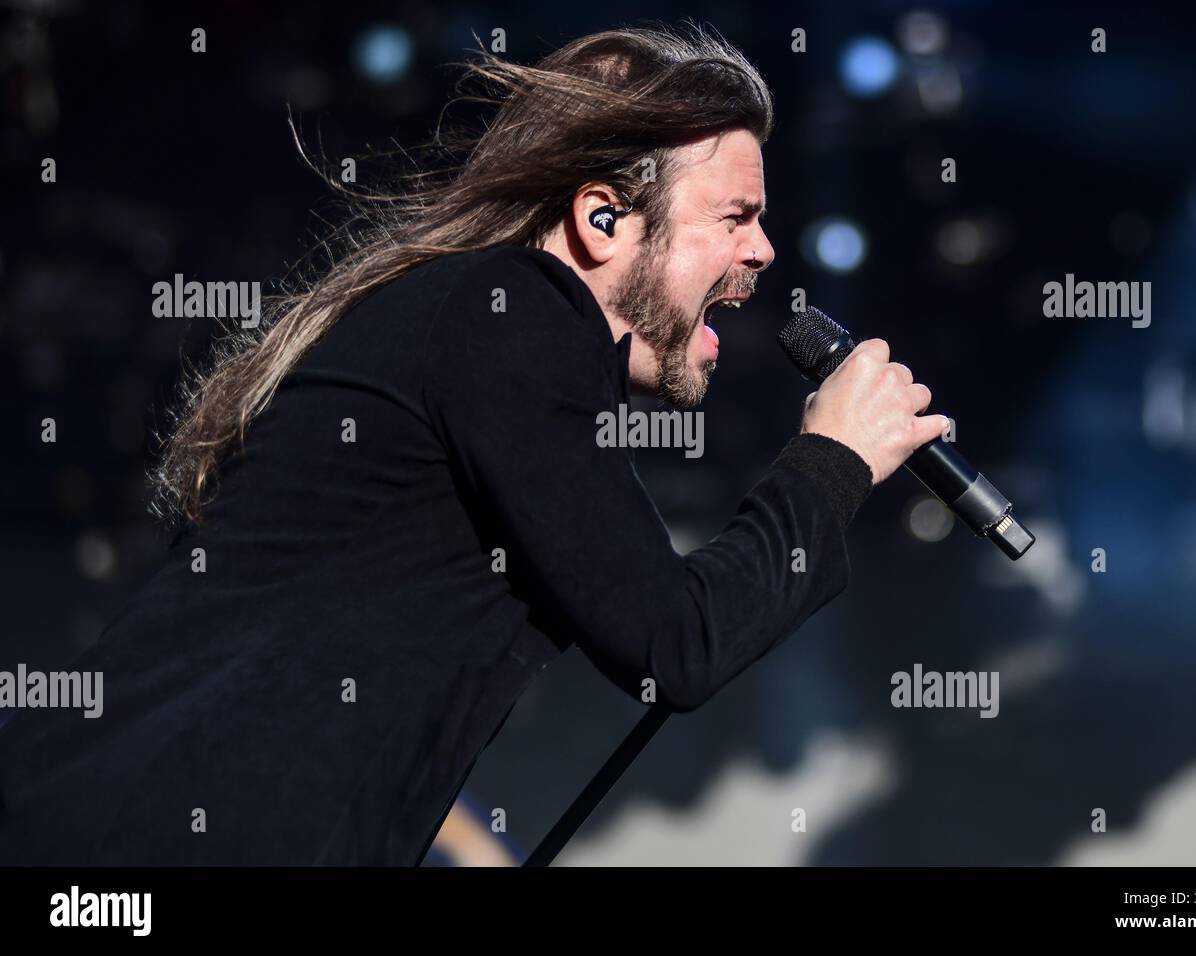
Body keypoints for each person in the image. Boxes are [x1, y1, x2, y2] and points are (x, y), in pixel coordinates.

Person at [0, 25, 945, 865]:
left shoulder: (479, 323)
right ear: (604, 217)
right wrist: (832, 461)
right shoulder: (513, 311)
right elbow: (674, 639)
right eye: (736, 216)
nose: (765, 251)